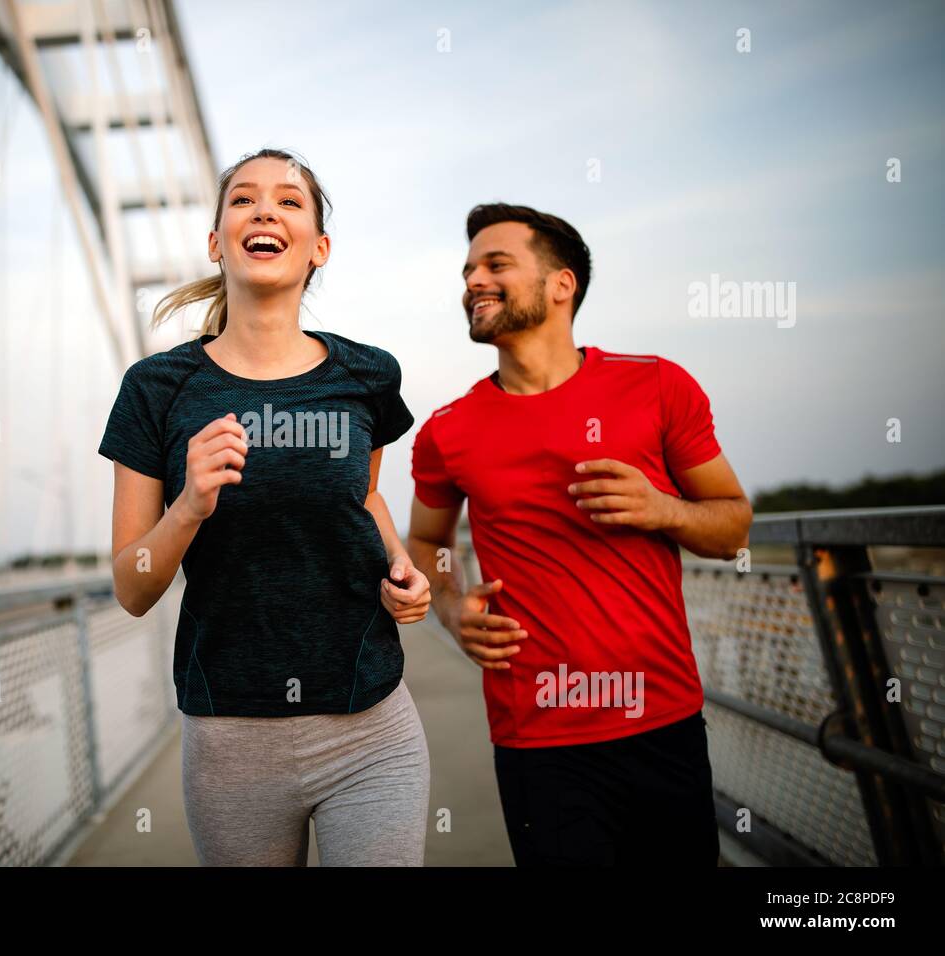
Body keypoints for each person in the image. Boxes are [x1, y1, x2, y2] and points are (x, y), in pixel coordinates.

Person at [98, 148, 432, 866]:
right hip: (232, 741)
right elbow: (131, 586)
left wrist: (402, 567)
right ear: (217, 242)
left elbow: (365, 495)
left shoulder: (367, 374)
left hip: (371, 724)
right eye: (243, 200)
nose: (265, 211)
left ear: (319, 247)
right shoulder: (156, 389)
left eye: (288, 200)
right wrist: (188, 503)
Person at [406, 203, 752, 866]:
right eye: (468, 269)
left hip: (661, 722)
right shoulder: (447, 430)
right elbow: (428, 542)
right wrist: (450, 606)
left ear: (561, 284)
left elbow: (733, 526)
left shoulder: (656, 386)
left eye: (495, 264)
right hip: (536, 740)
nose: (473, 280)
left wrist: (664, 509)